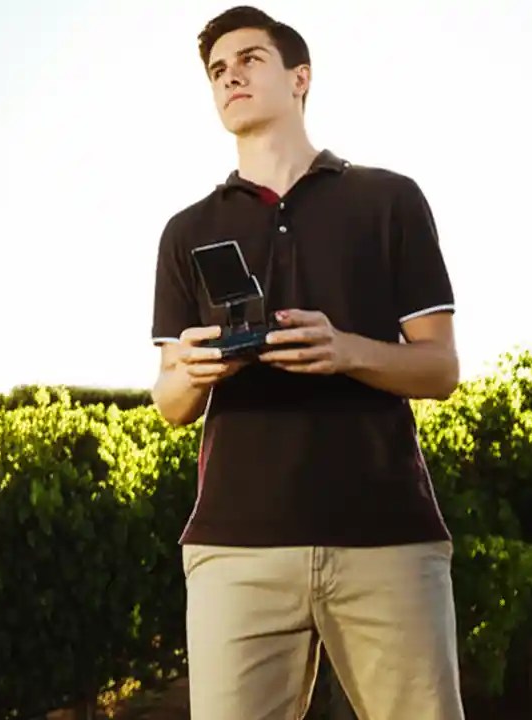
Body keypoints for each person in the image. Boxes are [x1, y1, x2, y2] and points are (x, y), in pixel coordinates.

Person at [148, 6, 466, 720]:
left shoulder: (388, 199)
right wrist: (196, 370)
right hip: (235, 548)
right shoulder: (187, 230)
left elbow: (440, 369)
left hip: (387, 539)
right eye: (217, 70)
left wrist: (344, 350)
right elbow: (169, 402)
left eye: (249, 60)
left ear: (301, 78)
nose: (230, 76)